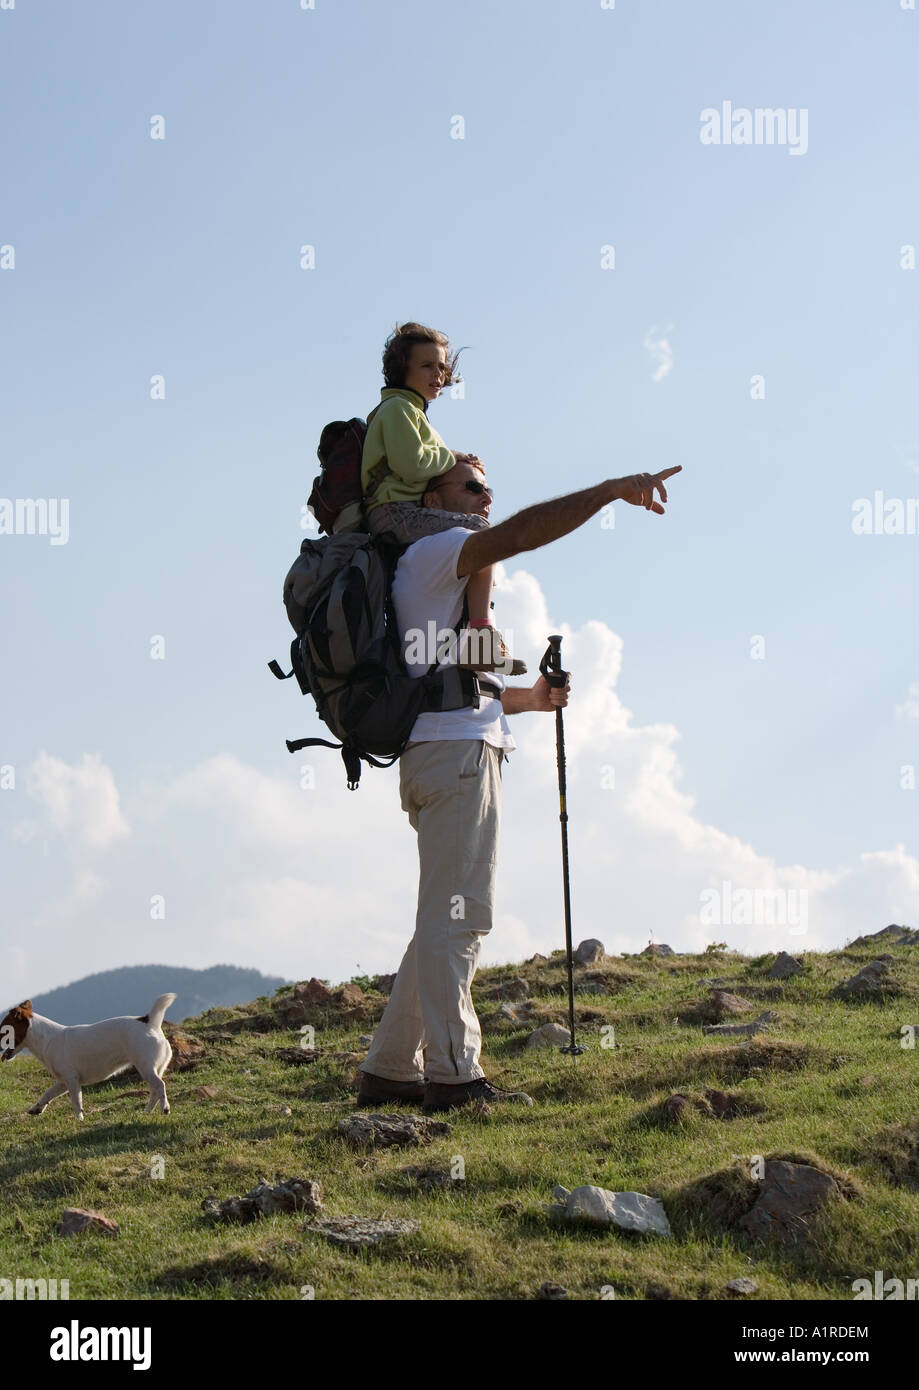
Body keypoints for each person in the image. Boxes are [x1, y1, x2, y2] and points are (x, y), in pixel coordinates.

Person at [357, 453, 682, 1112]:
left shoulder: (427, 572)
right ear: (430, 497)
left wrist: (529, 701)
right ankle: (454, 1080)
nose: (485, 497)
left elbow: (451, 682)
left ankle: (391, 1070)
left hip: (444, 749)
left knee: (440, 921)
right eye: (471, 486)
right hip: (455, 759)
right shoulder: (439, 549)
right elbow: (525, 531)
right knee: (461, 919)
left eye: (487, 486)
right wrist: (608, 489)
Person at [361, 320, 525, 674]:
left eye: (441, 366)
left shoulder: (408, 410)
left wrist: (456, 457)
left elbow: (421, 459)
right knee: (483, 536)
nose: (438, 373)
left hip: (398, 513)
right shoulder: (398, 410)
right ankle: (482, 638)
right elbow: (412, 465)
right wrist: (452, 458)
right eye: (426, 365)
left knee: (475, 543)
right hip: (394, 513)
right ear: (401, 368)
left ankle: (477, 637)